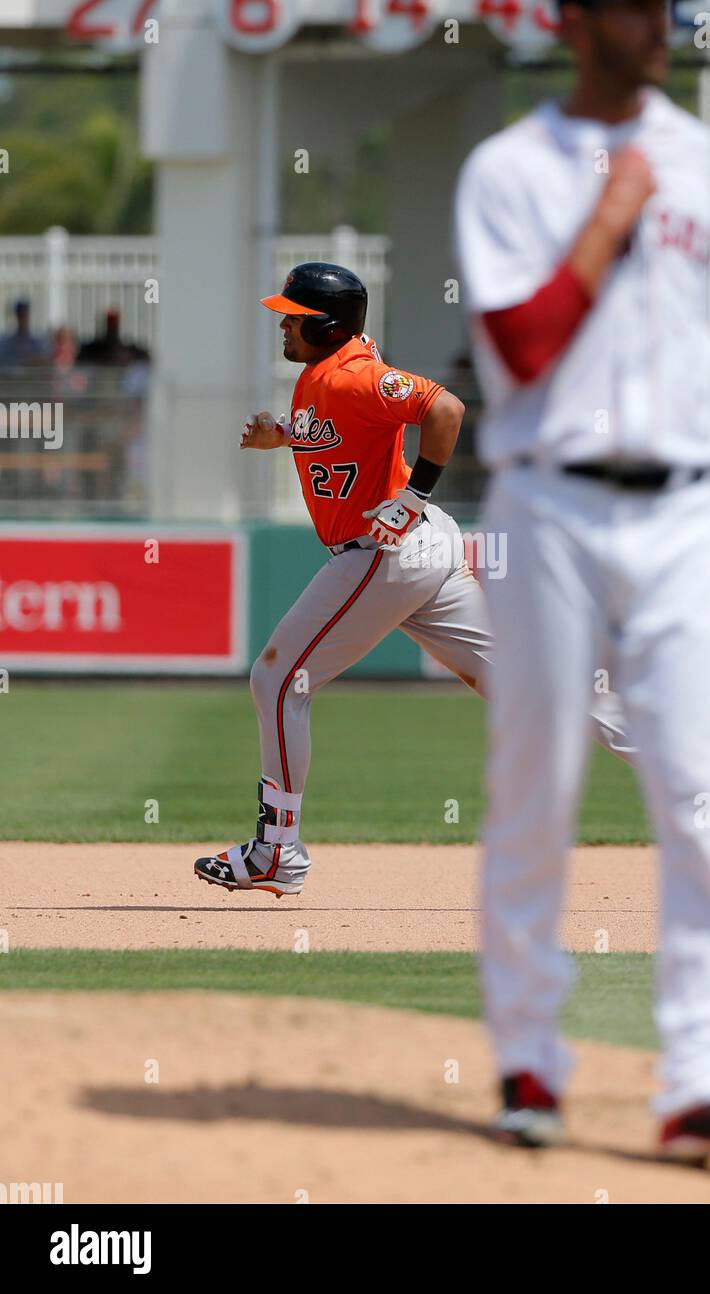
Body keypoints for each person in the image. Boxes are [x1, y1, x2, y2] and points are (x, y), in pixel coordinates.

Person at [454, 0, 710, 1165]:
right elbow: (525, 348)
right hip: (548, 501)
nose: (658, 21)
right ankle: (530, 1064)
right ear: (572, 22)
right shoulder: (506, 169)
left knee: (702, 791)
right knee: (532, 790)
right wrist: (607, 216)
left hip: (684, 505)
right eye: (633, 3)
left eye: (667, 1)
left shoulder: (695, 148)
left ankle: (708, 1078)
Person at [194, 262, 633, 897]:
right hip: (415, 554)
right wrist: (284, 435)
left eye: (292, 316)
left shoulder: (355, 374)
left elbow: (446, 409)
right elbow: (340, 432)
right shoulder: (321, 379)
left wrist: (416, 495)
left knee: (278, 677)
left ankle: (276, 850)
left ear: (327, 325)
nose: (282, 325)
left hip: (384, 547)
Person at [0, 300, 49, 374]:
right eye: (20, 315)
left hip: (31, 382)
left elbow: (44, 363)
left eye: (25, 315)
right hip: (12, 382)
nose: (23, 319)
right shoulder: (7, 343)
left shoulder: (37, 342)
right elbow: (4, 363)